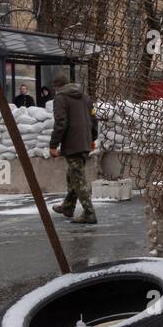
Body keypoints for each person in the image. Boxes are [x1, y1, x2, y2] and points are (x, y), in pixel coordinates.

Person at [48, 75, 97, 224]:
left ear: (57, 87)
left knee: (78, 178)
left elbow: (61, 123)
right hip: (84, 142)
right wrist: (92, 139)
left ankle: (89, 213)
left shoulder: (60, 99)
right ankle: (68, 207)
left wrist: (53, 145)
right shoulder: (86, 98)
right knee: (72, 175)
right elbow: (94, 120)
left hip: (72, 144)